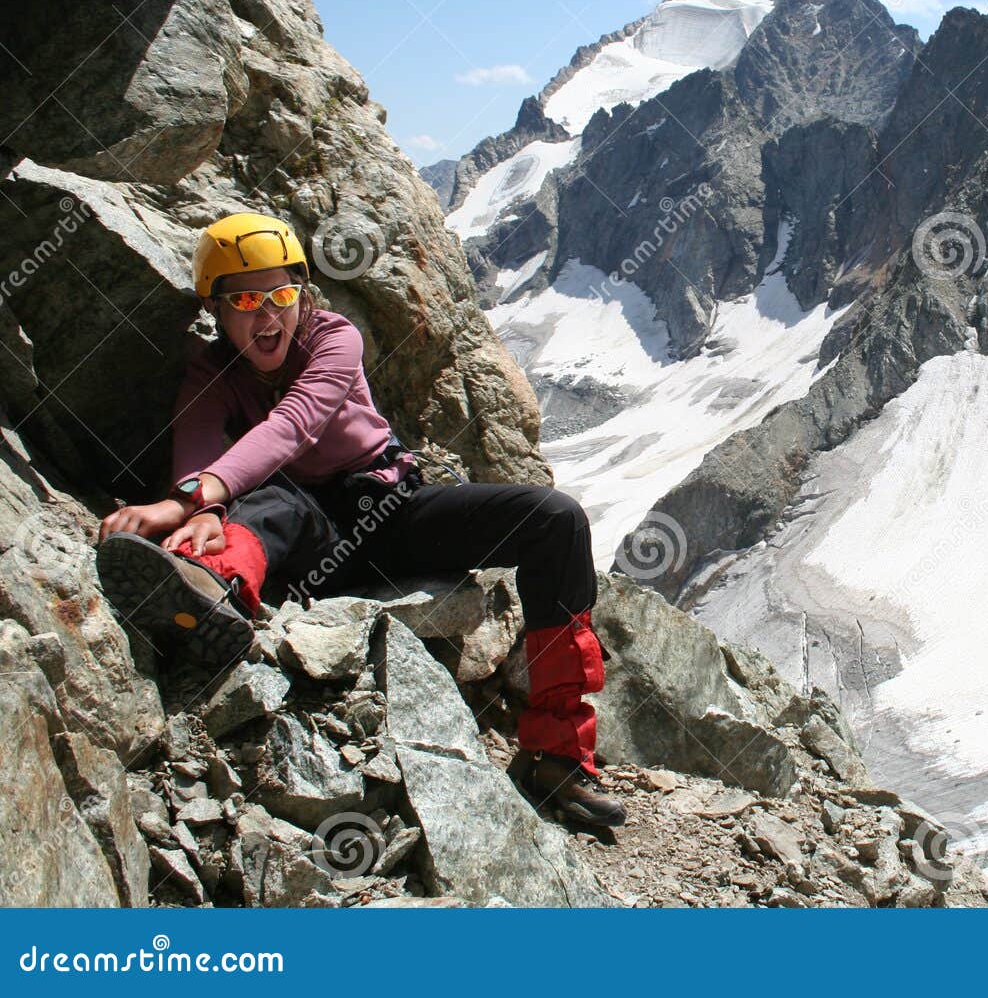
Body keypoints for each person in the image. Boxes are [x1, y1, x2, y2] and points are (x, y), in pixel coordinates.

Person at [95, 213, 624, 827]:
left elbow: (293, 424)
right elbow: (197, 444)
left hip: (390, 515)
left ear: (302, 294)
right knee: (269, 506)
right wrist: (201, 507)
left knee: (555, 520)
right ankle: (205, 588)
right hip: (305, 534)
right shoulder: (212, 371)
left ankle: (556, 756)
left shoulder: (334, 337)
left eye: (281, 295)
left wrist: (186, 500)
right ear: (214, 308)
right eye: (244, 300)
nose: (267, 315)